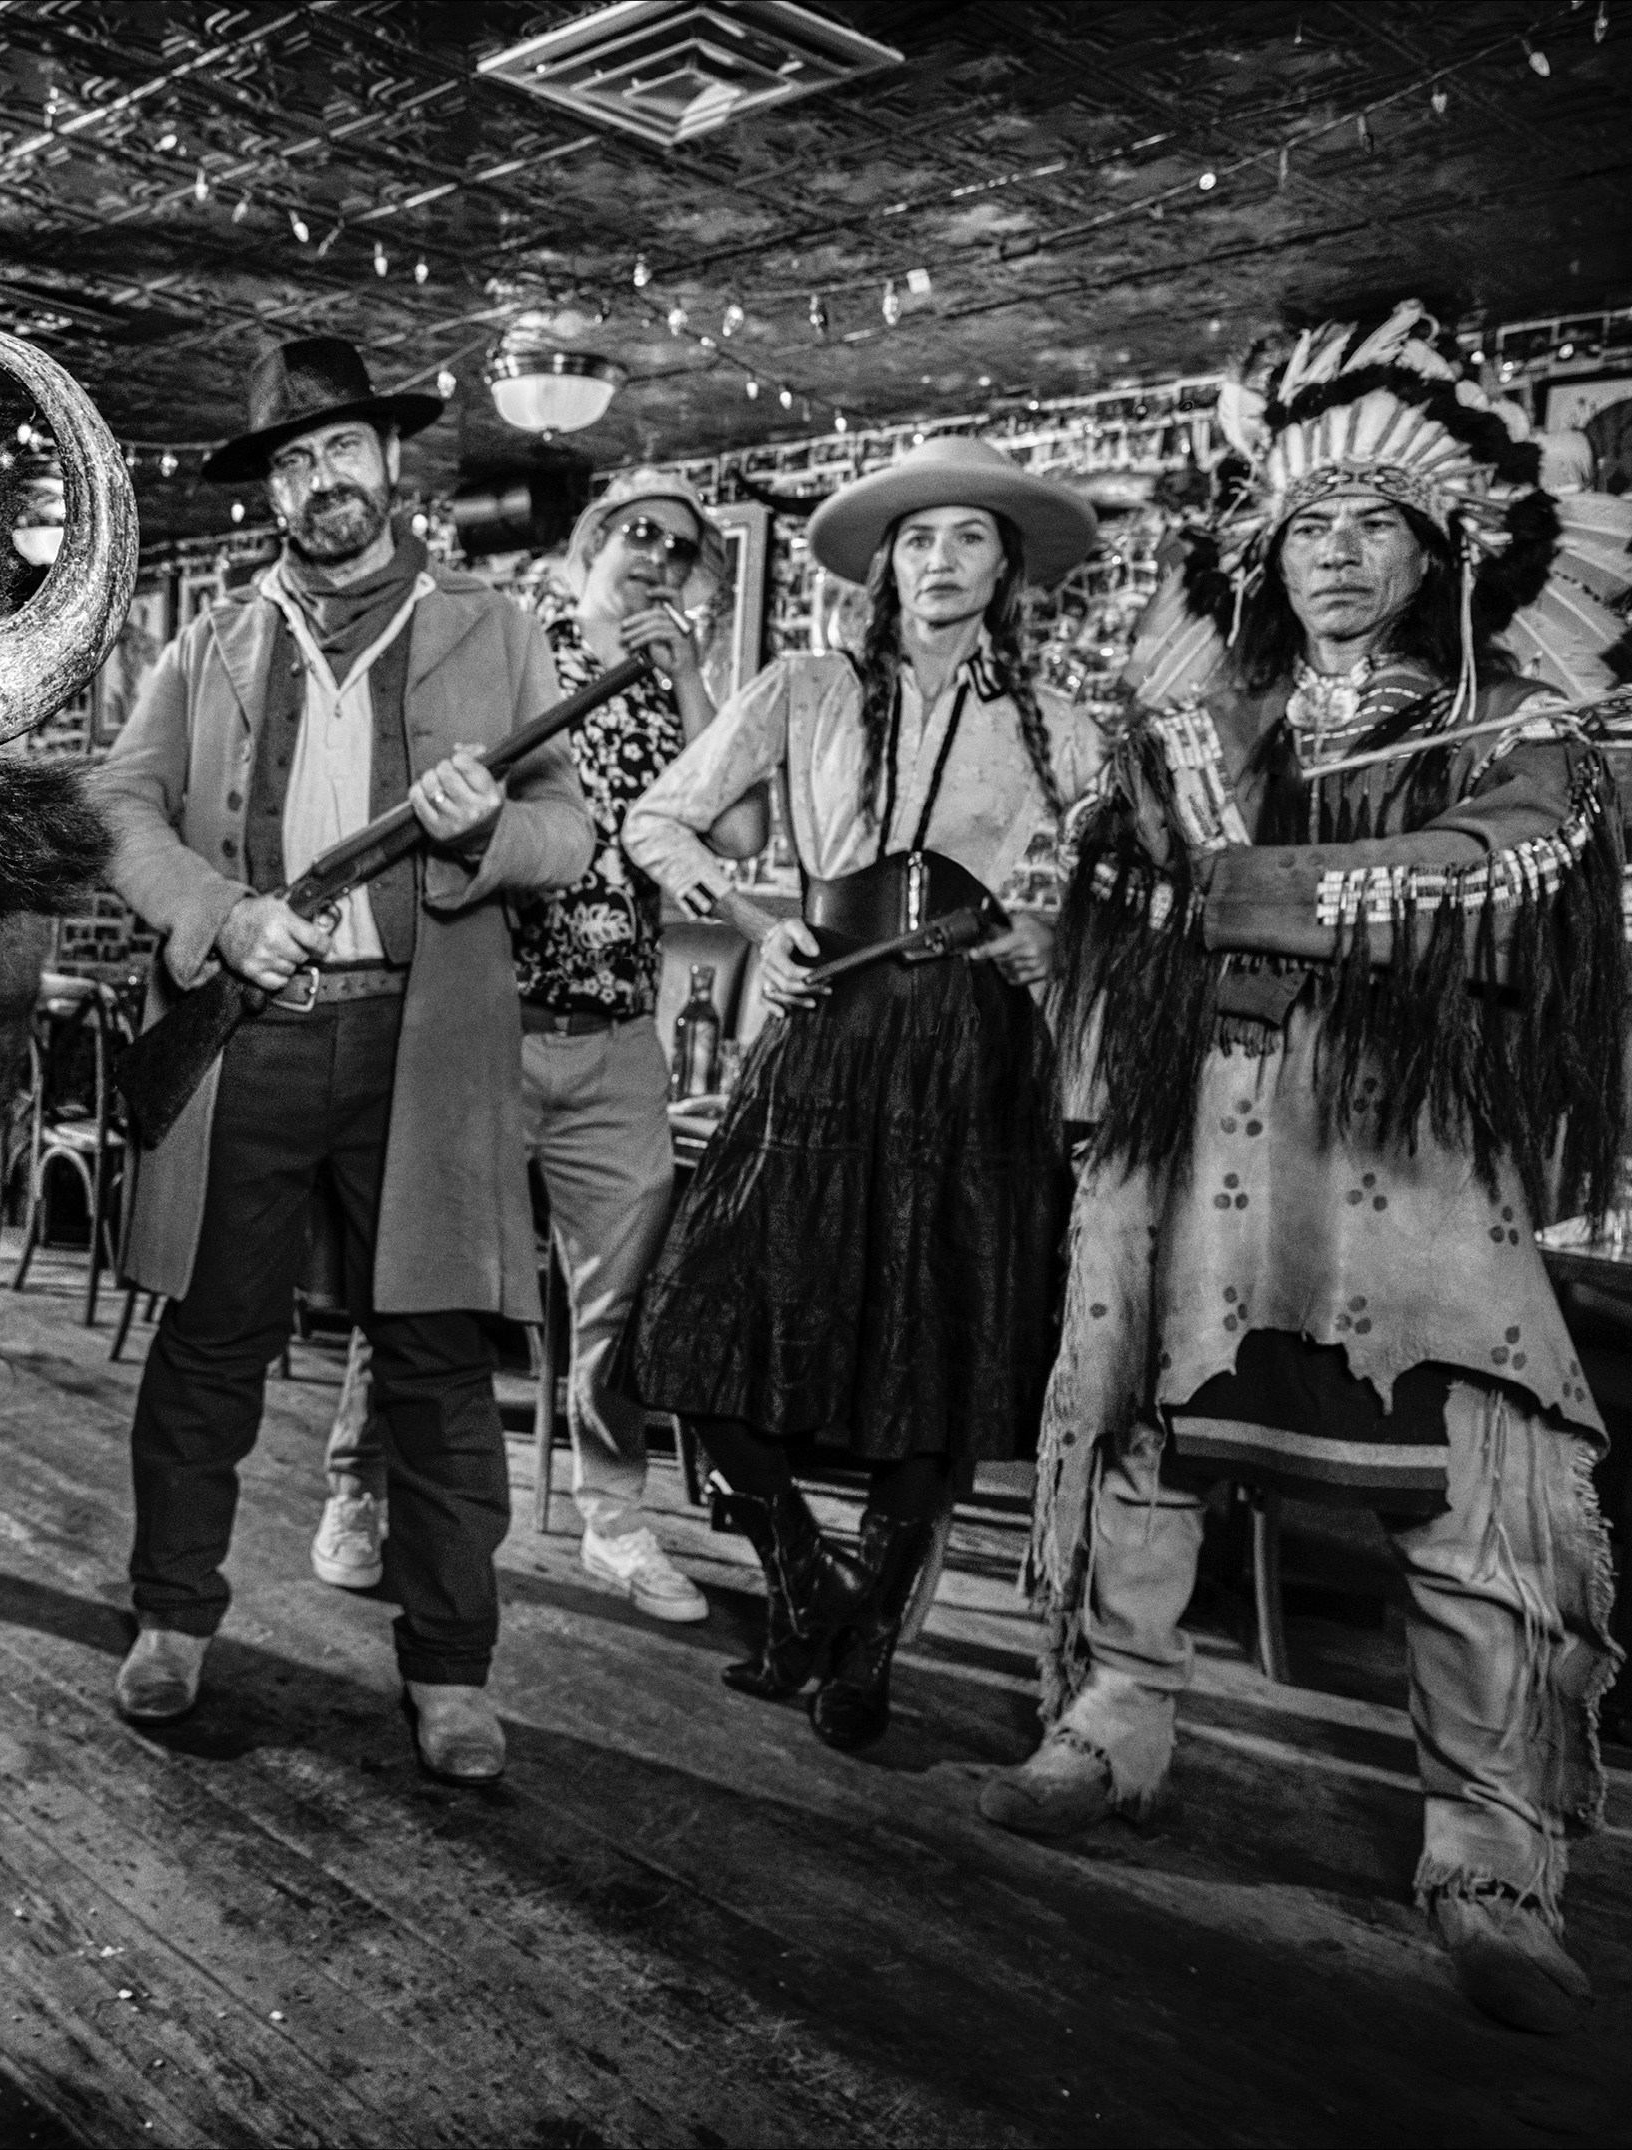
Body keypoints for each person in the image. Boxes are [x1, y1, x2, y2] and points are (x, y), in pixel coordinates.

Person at [983, 303, 1632, 2034]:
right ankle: (1110, 1722)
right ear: (1264, 559)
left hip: (1404, 1149)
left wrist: (1243, 883)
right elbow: (1121, 891)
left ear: (1442, 552)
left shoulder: (1517, 725)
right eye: (1307, 528)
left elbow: (1493, 868)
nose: (1336, 554)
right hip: (1204, 1131)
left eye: (1373, 524)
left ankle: (1489, 1854)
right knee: (1145, 1428)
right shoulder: (1218, 721)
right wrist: (1132, 834)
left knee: (1466, 1479)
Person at [88, 335, 595, 1784]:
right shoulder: (209, 643)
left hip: (419, 1045)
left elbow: (568, 833)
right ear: (275, 489)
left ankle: (450, 1668)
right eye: (295, 460)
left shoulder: (492, 629)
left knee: (434, 1366)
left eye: (343, 452)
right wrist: (221, 914)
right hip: (250, 1040)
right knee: (207, 1348)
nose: (323, 480)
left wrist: (484, 830)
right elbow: (119, 803)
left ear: (391, 461)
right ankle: (172, 1618)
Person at [619, 435, 1102, 1753]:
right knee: (695, 1316)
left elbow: (1130, 877)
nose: (942, 560)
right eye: (918, 538)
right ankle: (806, 1585)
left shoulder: (1059, 723)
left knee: (934, 1338)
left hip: (971, 1044)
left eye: (969, 538)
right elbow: (658, 820)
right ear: (885, 565)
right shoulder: (806, 684)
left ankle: (868, 1635)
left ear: (1004, 568)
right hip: (822, 1024)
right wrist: (752, 920)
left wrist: (1058, 931)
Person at [315, 470, 746, 1626]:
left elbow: (742, 826)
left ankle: (614, 1516)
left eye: (681, 547)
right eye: (636, 532)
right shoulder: (513, 652)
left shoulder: (676, 690)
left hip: (616, 1039)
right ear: (589, 544)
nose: (656, 555)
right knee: (424, 1274)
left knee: (619, 1301)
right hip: (484, 1026)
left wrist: (690, 677)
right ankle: (357, 1485)